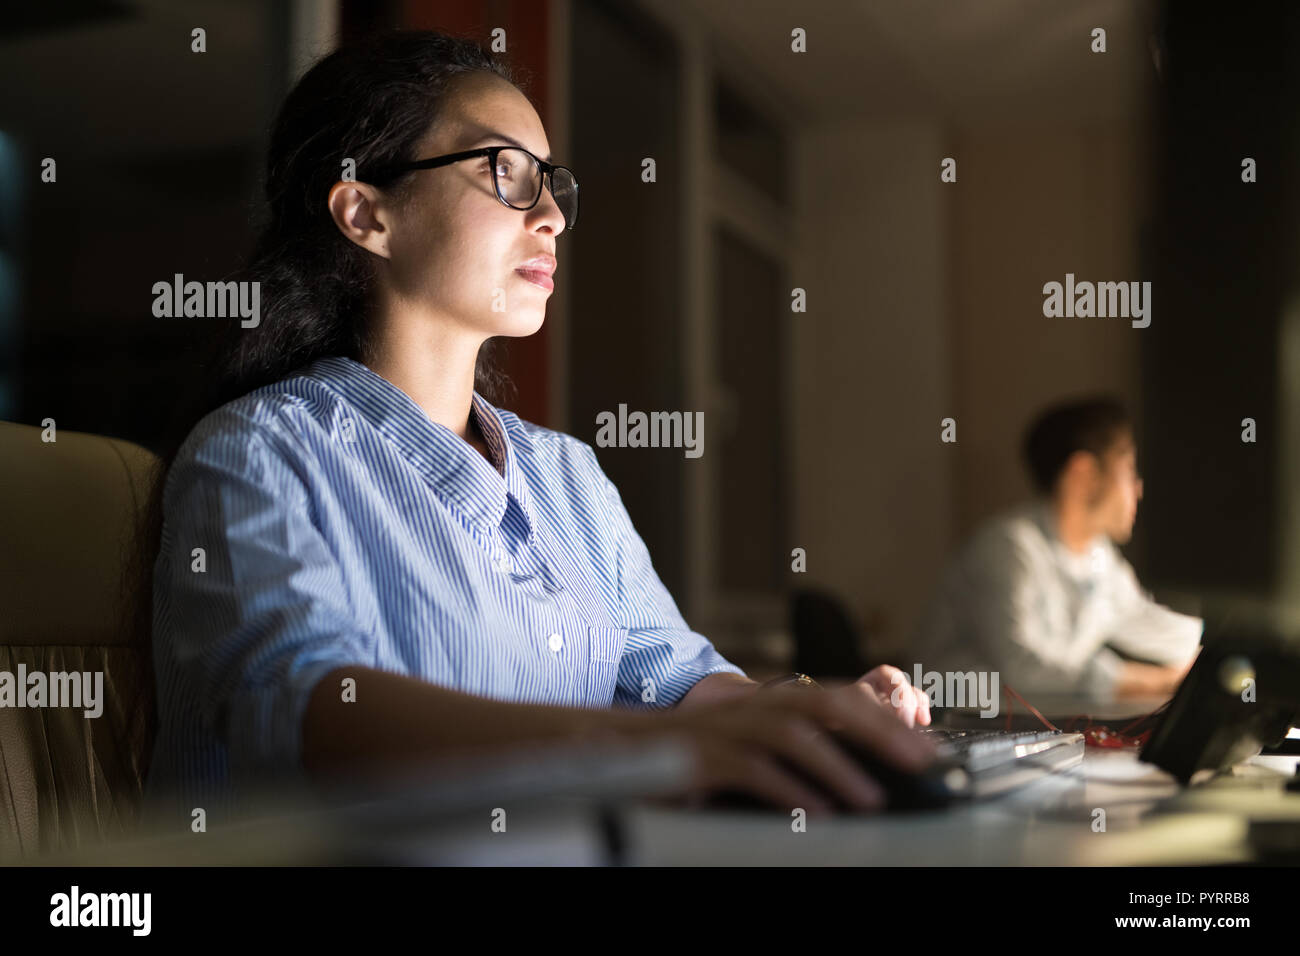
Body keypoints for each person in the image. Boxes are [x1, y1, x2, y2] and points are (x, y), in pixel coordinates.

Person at [134, 30, 934, 824]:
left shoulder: (569, 475)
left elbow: (677, 674)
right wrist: (648, 750)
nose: (551, 215)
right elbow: (301, 709)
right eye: (504, 172)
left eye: (550, 182)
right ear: (366, 213)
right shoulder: (257, 451)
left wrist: (803, 716)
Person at [907, 397, 1202, 703]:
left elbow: (1148, 623)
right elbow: (1022, 667)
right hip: (947, 724)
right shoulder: (1009, 548)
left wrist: (1221, 647)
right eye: (1129, 469)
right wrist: (1157, 682)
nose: (1138, 489)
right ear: (1083, 474)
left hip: (1033, 728)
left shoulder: (1101, 559)